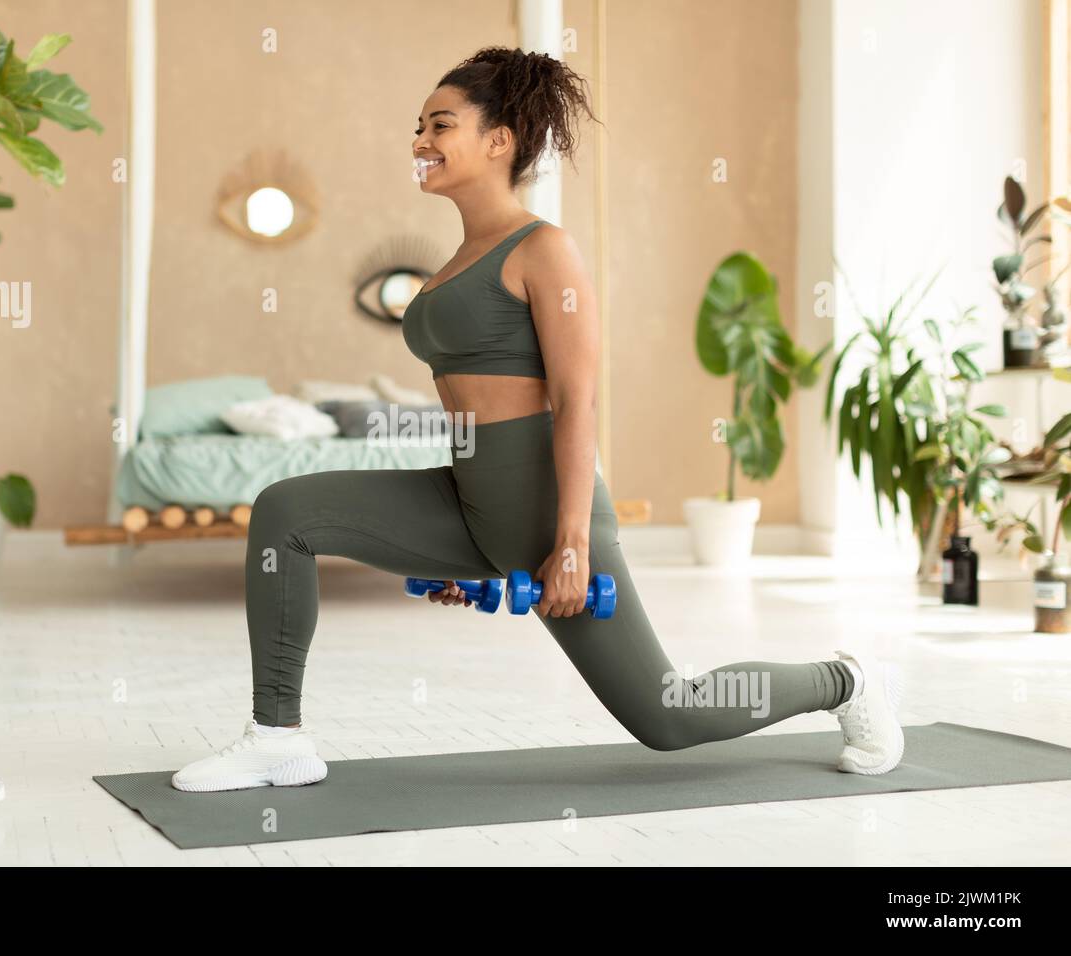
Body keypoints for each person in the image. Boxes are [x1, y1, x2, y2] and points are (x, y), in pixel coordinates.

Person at [172, 46, 904, 793]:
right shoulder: (459, 259)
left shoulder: (543, 248)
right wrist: (444, 546)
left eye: (439, 125)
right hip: (468, 492)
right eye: (418, 127)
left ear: (500, 140)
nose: (420, 142)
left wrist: (574, 541)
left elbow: (578, 397)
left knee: (669, 714)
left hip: (545, 502)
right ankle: (277, 738)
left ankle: (844, 682)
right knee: (284, 511)